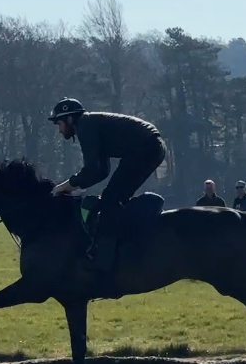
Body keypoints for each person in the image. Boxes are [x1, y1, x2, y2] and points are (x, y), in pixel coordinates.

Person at [47, 98, 166, 284]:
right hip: (149, 146)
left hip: (146, 147)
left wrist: (65, 186)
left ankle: (104, 260)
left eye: (59, 124)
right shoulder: (89, 124)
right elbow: (101, 171)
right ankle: (123, 243)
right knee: (111, 198)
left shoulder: (85, 126)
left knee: (111, 199)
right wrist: (71, 186)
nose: (59, 130)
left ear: (69, 119)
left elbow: (93, 169)